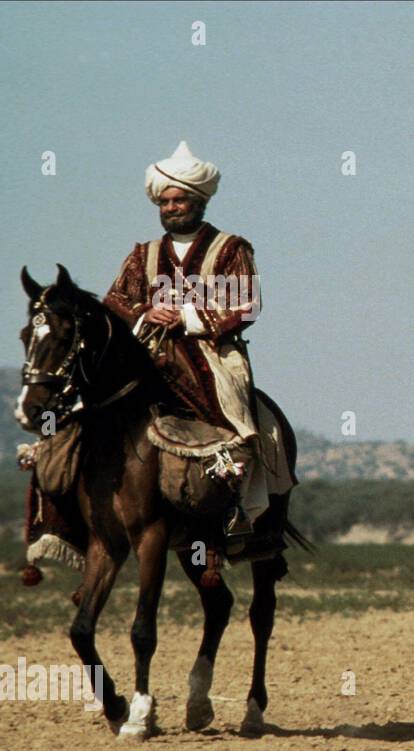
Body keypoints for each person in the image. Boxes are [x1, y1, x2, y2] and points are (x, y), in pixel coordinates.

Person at [104, 141, 268, 538]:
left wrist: (187, 316)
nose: (171, 208)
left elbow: (247, 305)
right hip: (148, 348)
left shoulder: (231, 248)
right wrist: (145, 312)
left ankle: (235, 502)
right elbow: (114, 299)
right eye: (164, 202)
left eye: (179, 200)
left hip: (211, 353)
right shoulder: (143, 253)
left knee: (234, 418)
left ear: (198, 200)